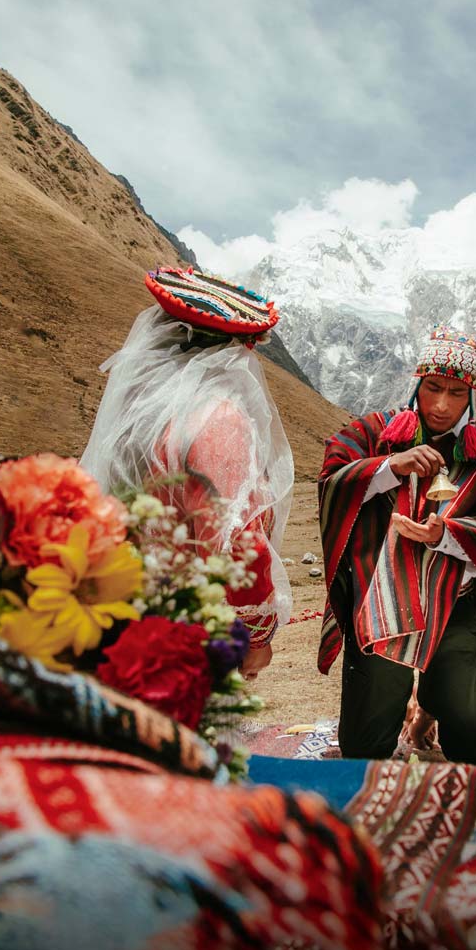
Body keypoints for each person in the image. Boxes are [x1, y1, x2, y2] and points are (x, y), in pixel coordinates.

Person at [316, 327, 476, 764]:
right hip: (379, 611)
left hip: (456, 605)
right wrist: (386, 468)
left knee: (475, 751)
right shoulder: (372, 433)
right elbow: (331, 482)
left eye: (456, 393)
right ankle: (399, 697)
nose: (440, 405)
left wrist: (447, 537)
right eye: (432, 388)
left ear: (470, 394)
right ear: (417, 383)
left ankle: (432, 699)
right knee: (363, 749)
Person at [82, 266, 294, 675]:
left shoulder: (142, 417)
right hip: (190, 635)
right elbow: (239, 540)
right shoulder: (220, 419)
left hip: (130, 618)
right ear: (234, 352)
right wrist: (254, 637)